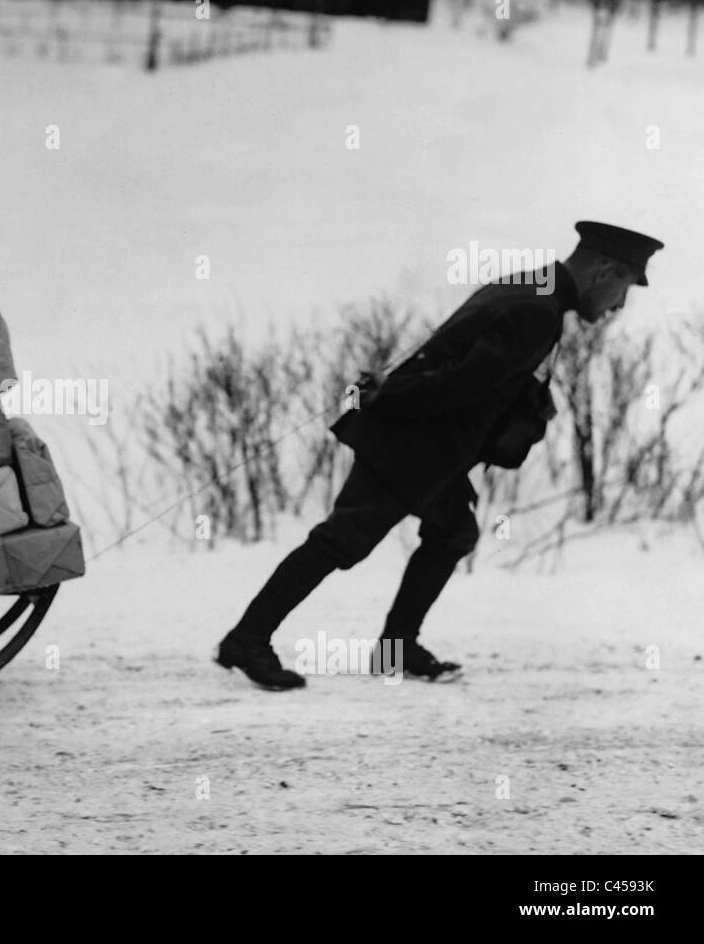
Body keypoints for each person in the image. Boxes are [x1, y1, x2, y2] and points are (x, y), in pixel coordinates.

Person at [216, 221, 664, 691]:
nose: (618, 306)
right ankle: (248, 638)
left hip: (428, 444)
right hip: (410, 445)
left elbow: (460, 364)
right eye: (624, 290)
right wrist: (385, 400)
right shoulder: (538, 310)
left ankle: (397, 649)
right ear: (604, 272)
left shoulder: (529, 285)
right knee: (342, 540)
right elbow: (462, 384)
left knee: (452, 531)